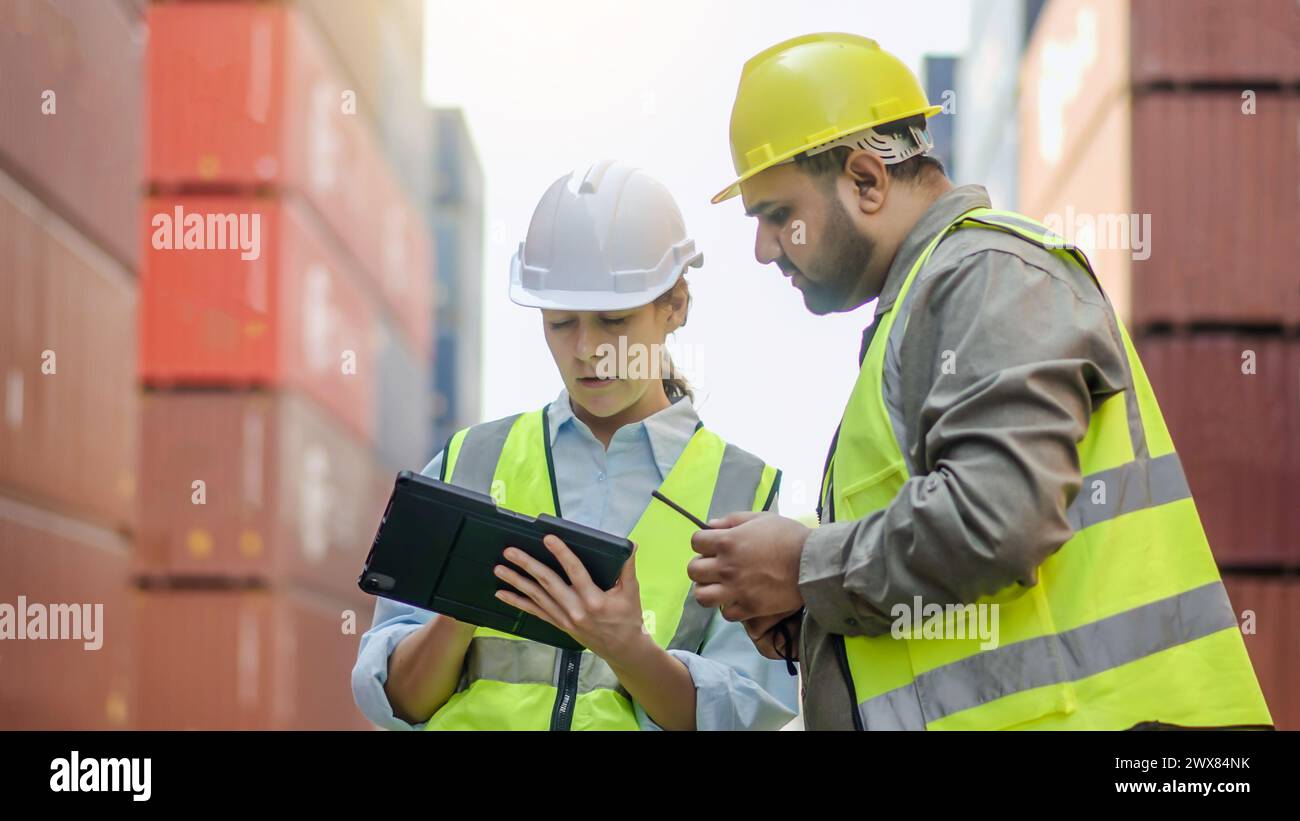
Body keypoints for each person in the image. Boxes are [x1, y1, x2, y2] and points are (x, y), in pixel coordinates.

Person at [688, 33, 1272, 730]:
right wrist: (807, 609)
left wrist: (805, 564)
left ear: (867, 180)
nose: (762, 250)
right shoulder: (919, 314)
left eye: (780, 216)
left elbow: (998, 517)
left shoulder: (986, 273)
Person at [352, 160, 799, 730]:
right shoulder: (469, 462)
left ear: (677, 306)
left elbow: (740, 719)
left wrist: (626, 648)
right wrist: (459, 611)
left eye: (613, 319)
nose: (587, 348)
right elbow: (399, 703)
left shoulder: (741, 494)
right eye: (562, 323)